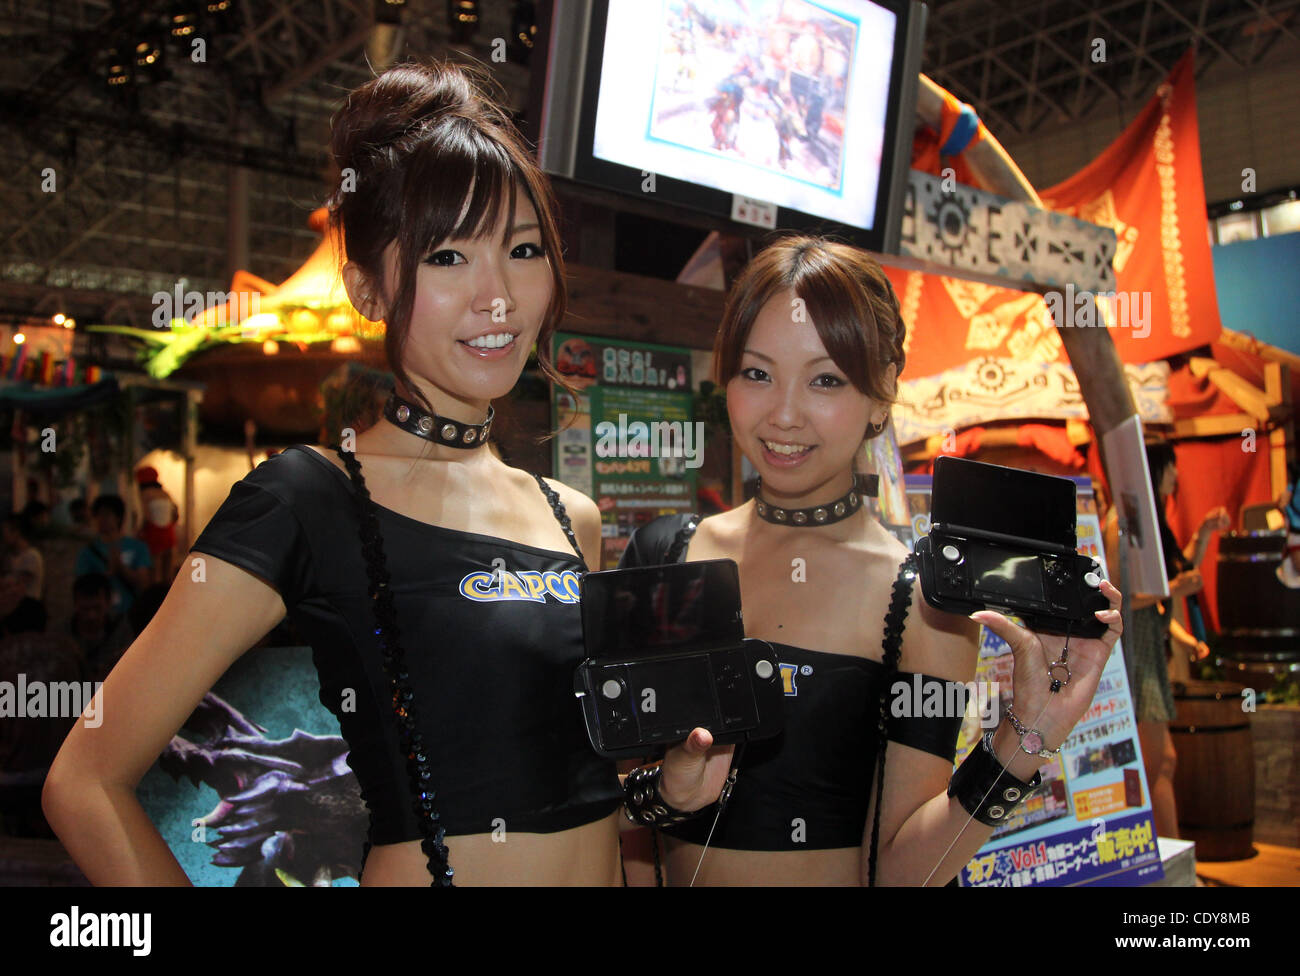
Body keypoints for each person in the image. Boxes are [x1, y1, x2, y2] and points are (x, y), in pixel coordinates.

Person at [42, 60, 729, 887]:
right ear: (368, 288)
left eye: (521, 249)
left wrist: (665, 790)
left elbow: (567, 786)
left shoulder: (567, 514)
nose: (499, 296)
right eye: (447, 256)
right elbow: (84, 781)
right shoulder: (305, 500)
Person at [619, 235, 1123, 885]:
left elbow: (905, 872)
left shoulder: (924, 603)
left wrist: (1023, 737)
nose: (785, 413)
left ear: (883, 391)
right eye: (757, 372)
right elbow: (613, 820)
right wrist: (667, 792)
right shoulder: (663, 557)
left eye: (826, 379)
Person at [1103, 441, 1229, 840]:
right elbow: (1123, 595)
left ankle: (1170, 865)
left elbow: (1170, 576)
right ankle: (1166, 869)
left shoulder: (1147, 519)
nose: (1177, 475)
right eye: (1171, 466)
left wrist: (1204, 534)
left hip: (1147, 647)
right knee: (1154, 765)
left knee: (1161, 764)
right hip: (1134, 654)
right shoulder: (1123, 519)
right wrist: (1174, 589)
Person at [74, 494, 153, 617]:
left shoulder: (138, 547)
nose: (101, 519)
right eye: (97, 515)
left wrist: (121, 568)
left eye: (106, 514)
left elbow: (143, 582)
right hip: (102, 616)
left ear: (118, 517)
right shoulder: (88, 552)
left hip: (132, 612)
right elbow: (83, 585)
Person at [134, 466, 179, 584]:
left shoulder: (144, 493)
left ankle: (156, 598)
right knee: (169, 572)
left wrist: (139, 532)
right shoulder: (165, 493)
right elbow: (175, 513)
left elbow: (145, 516)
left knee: (156, 571)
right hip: (168, 532)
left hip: (154, 531)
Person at [2, 512, 44, 601]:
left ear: (16, 532)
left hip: (27, 608)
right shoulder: (9, 555)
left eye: (5, 533)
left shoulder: (32, 556)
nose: (3, 537)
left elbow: (17, 585)